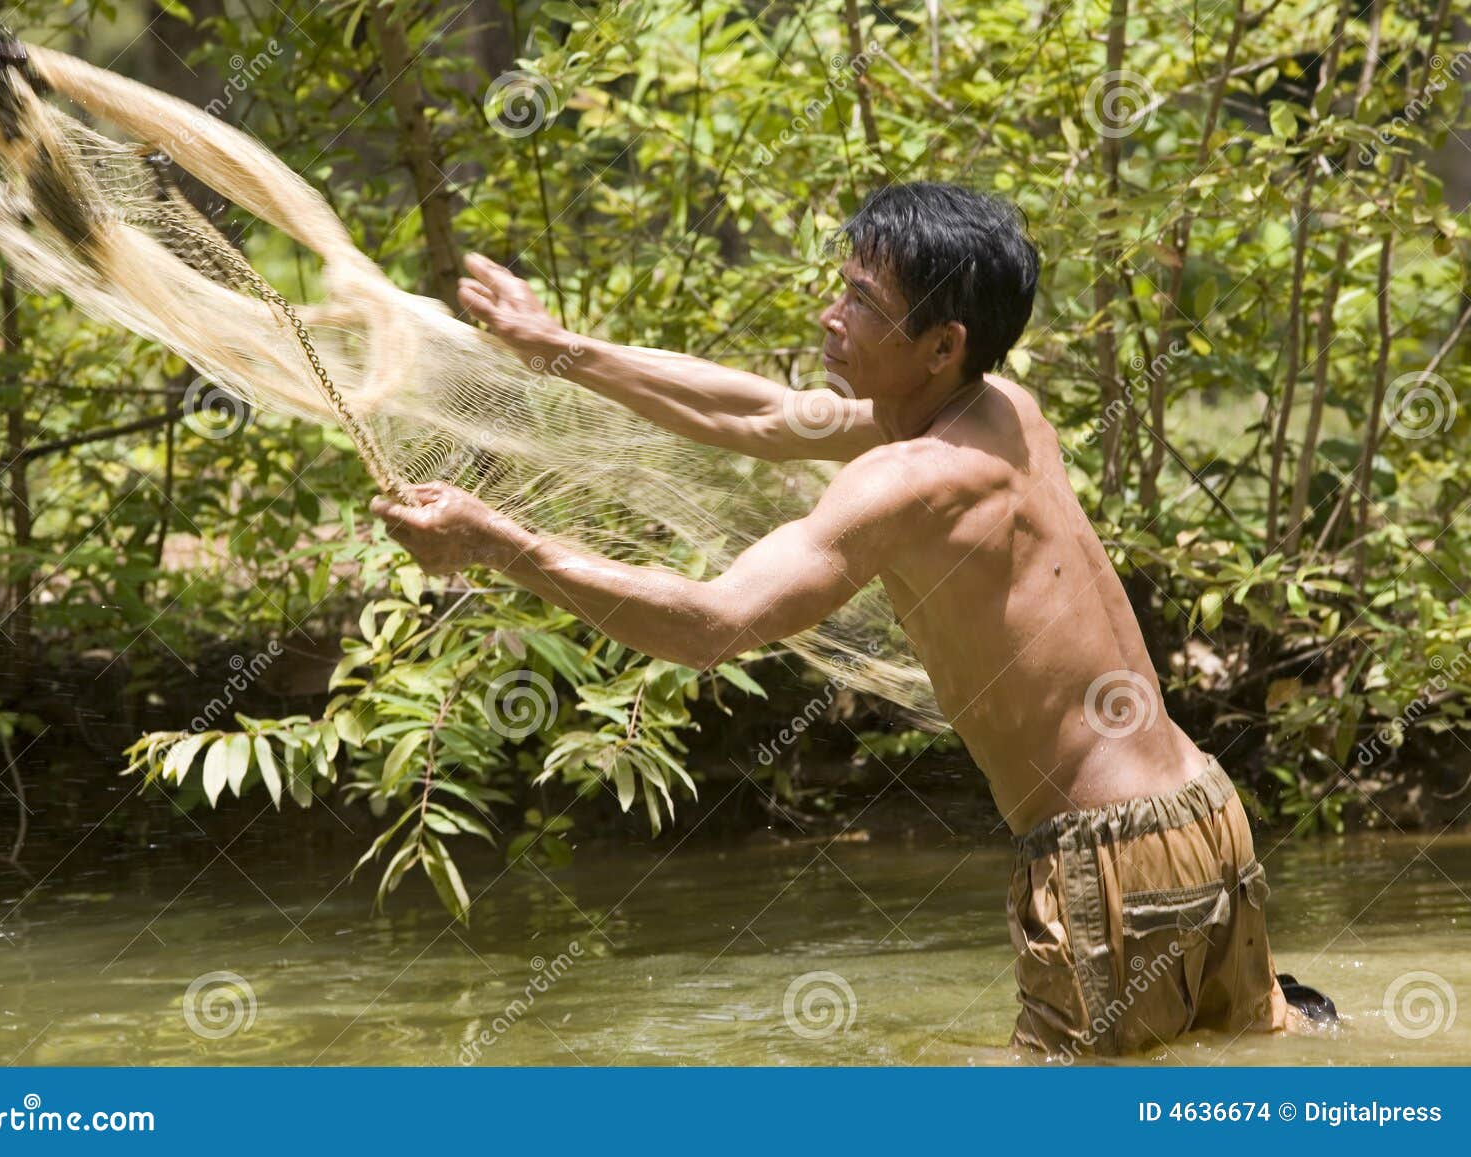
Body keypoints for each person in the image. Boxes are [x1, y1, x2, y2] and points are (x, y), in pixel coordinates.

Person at [370, 181, 1336, 1057]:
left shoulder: (905, 483)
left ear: (942, 344)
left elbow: (714, 625)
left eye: (862, 304)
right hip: (1206, 817)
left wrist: (501, 546)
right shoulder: (1001, 408)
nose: (831, 317)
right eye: (844, 288)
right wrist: (559, 350)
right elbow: (759, 416)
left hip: (1106, 852)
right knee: (1250, 1073)